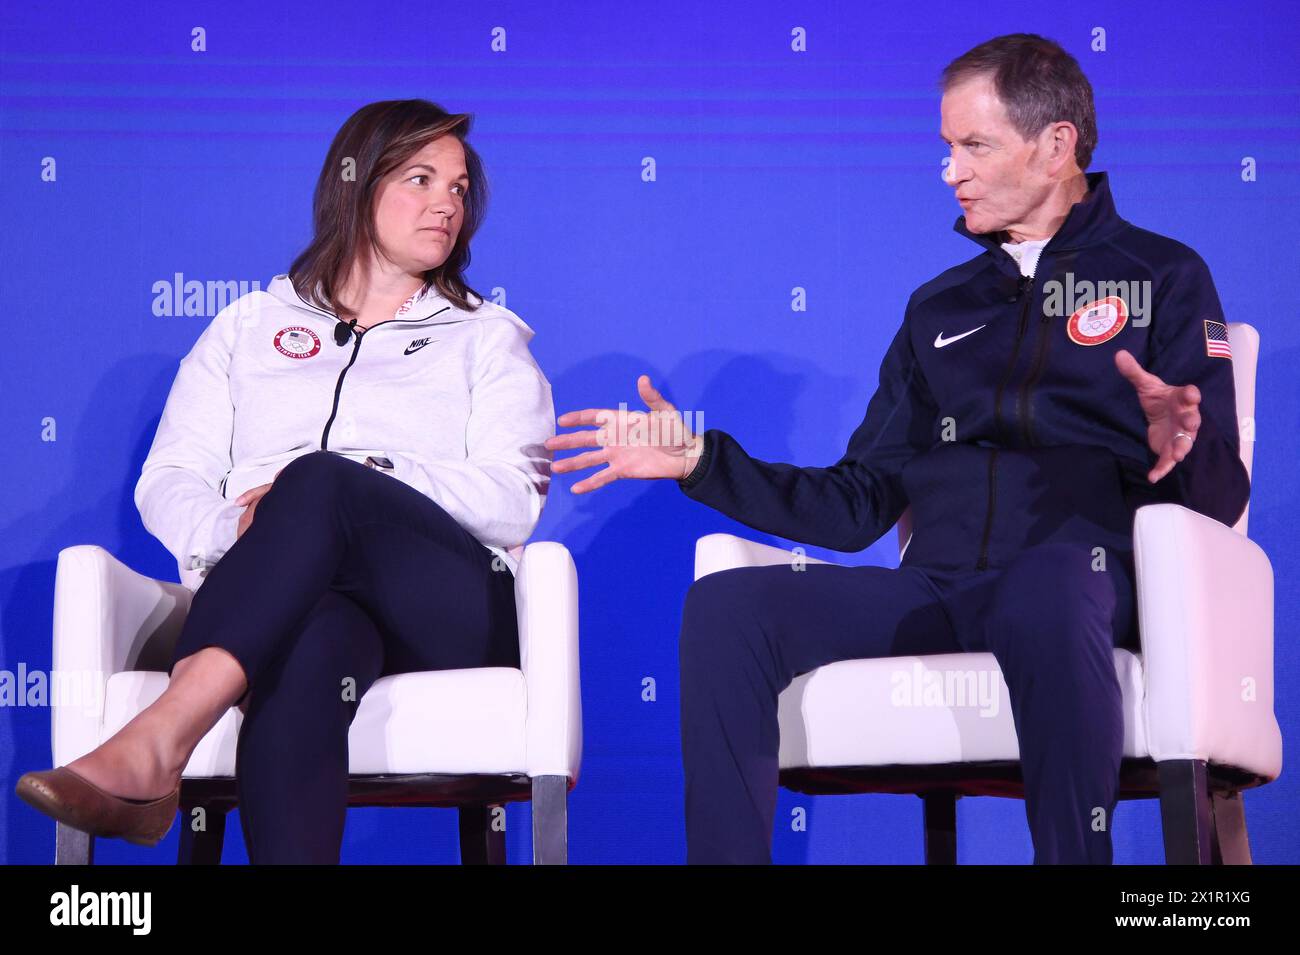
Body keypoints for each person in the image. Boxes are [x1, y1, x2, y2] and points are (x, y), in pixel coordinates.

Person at [545, 34, 1249, 864]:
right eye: (947, 148)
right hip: (941, 587)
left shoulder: (1162, 274)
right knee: (727, 606)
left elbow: (1216, 503)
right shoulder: (938, 308)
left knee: (1051, 582)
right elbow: (856, 504)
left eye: (973, 145)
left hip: (1081, 581)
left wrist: (1181, 441)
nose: (950, 171)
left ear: (1056, 144)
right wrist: (703, 461)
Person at [16, 99, 555, 863]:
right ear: (355, 185)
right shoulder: (246, 327)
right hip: (288, 602)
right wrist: (239, 530)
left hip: (444, 605)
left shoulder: (486, 339)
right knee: (306, 647)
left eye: (460, 189)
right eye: (422, 179)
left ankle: (162, 735)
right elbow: (170, 477)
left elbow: (511, 500)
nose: (447, 204)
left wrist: (365, 478)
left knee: (322, 482)